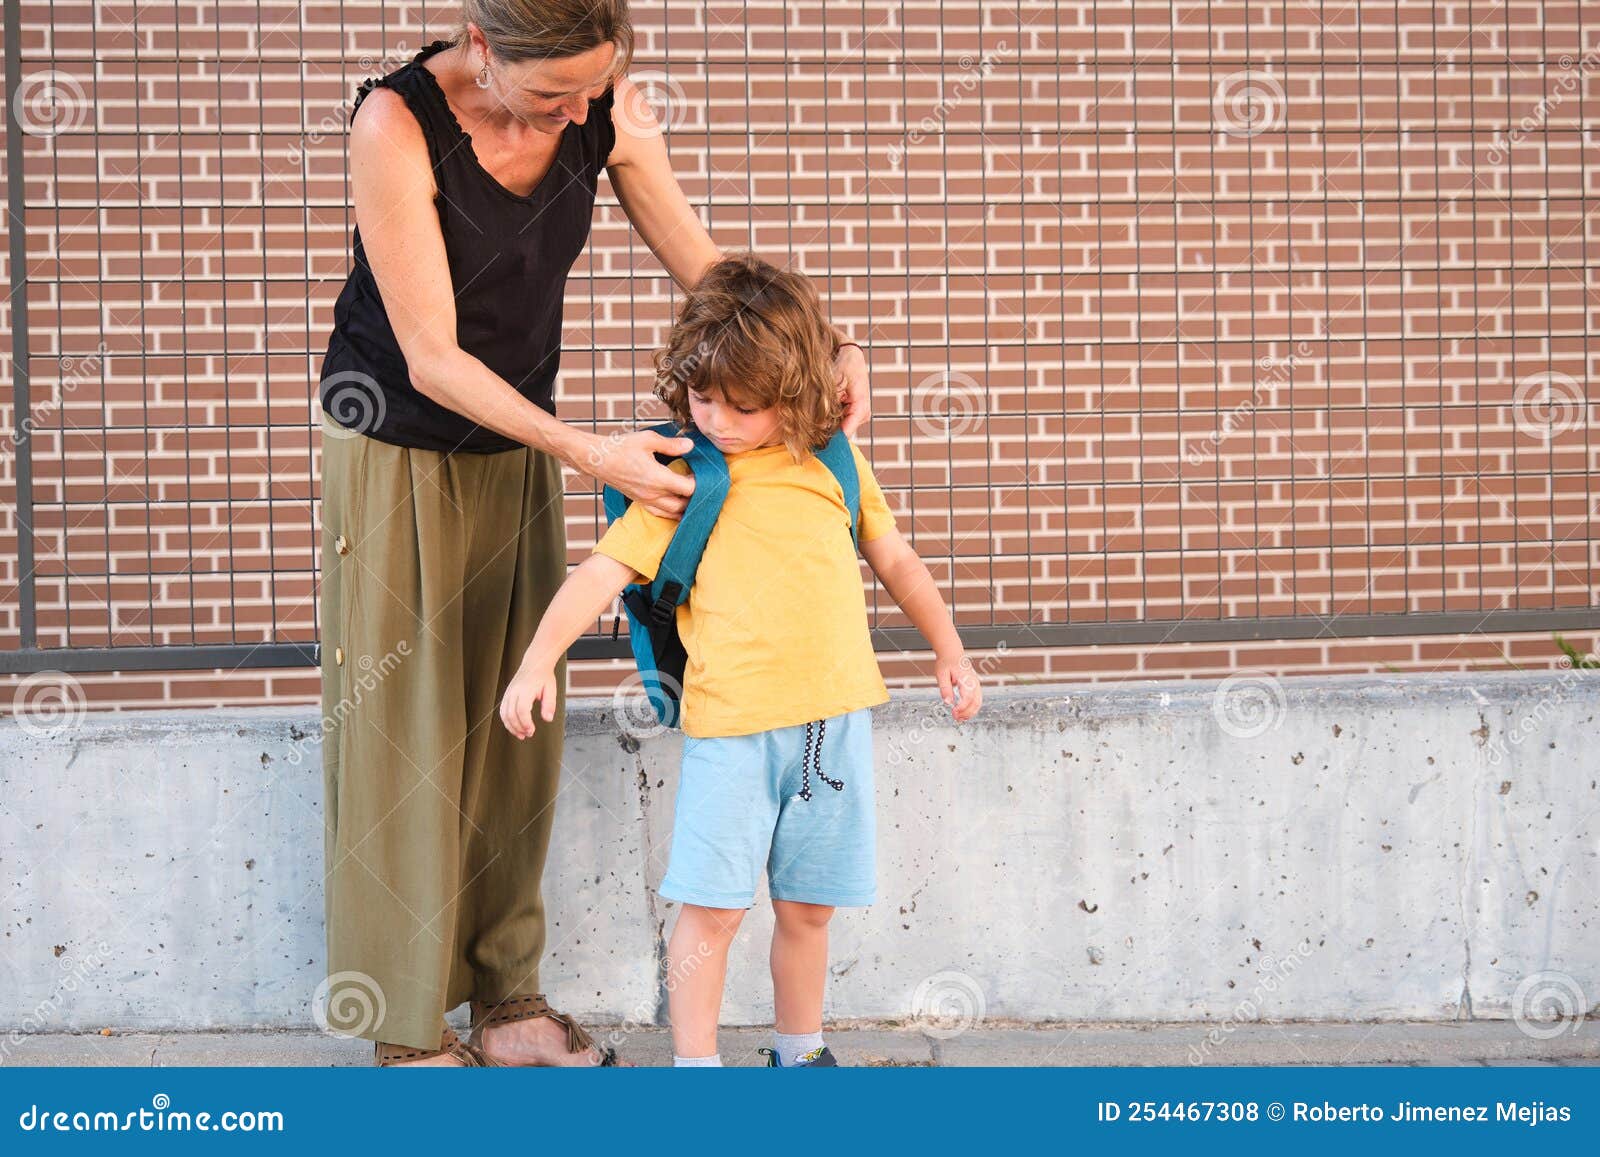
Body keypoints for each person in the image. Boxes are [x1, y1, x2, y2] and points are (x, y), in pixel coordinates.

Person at [316, 1, 874, 1067]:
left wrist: (822, 343)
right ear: (483, 49)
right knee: (408, 717)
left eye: (595, 89)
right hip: (396, 437)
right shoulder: (395, 124)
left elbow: (704, 265)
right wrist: (590, 452)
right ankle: (403, 1024)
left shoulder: (600, 101)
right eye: (557, 93)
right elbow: (431, 353)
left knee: (518, 725)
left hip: (521, 437)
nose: (585, 113)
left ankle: (507, 996)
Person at [499, 252, 983, 1067]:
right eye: (702, 397)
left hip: (832, 727)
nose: (718, 418)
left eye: (744, 405)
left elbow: (895, 558)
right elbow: (602, 571)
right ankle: (698, 1071)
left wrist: (949, 649)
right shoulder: (687, 481)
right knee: (713, 910)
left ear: (794, 391)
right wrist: (536, 661)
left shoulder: (834, 464)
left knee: (808, 908)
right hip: (732, 735)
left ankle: (801, 1054)